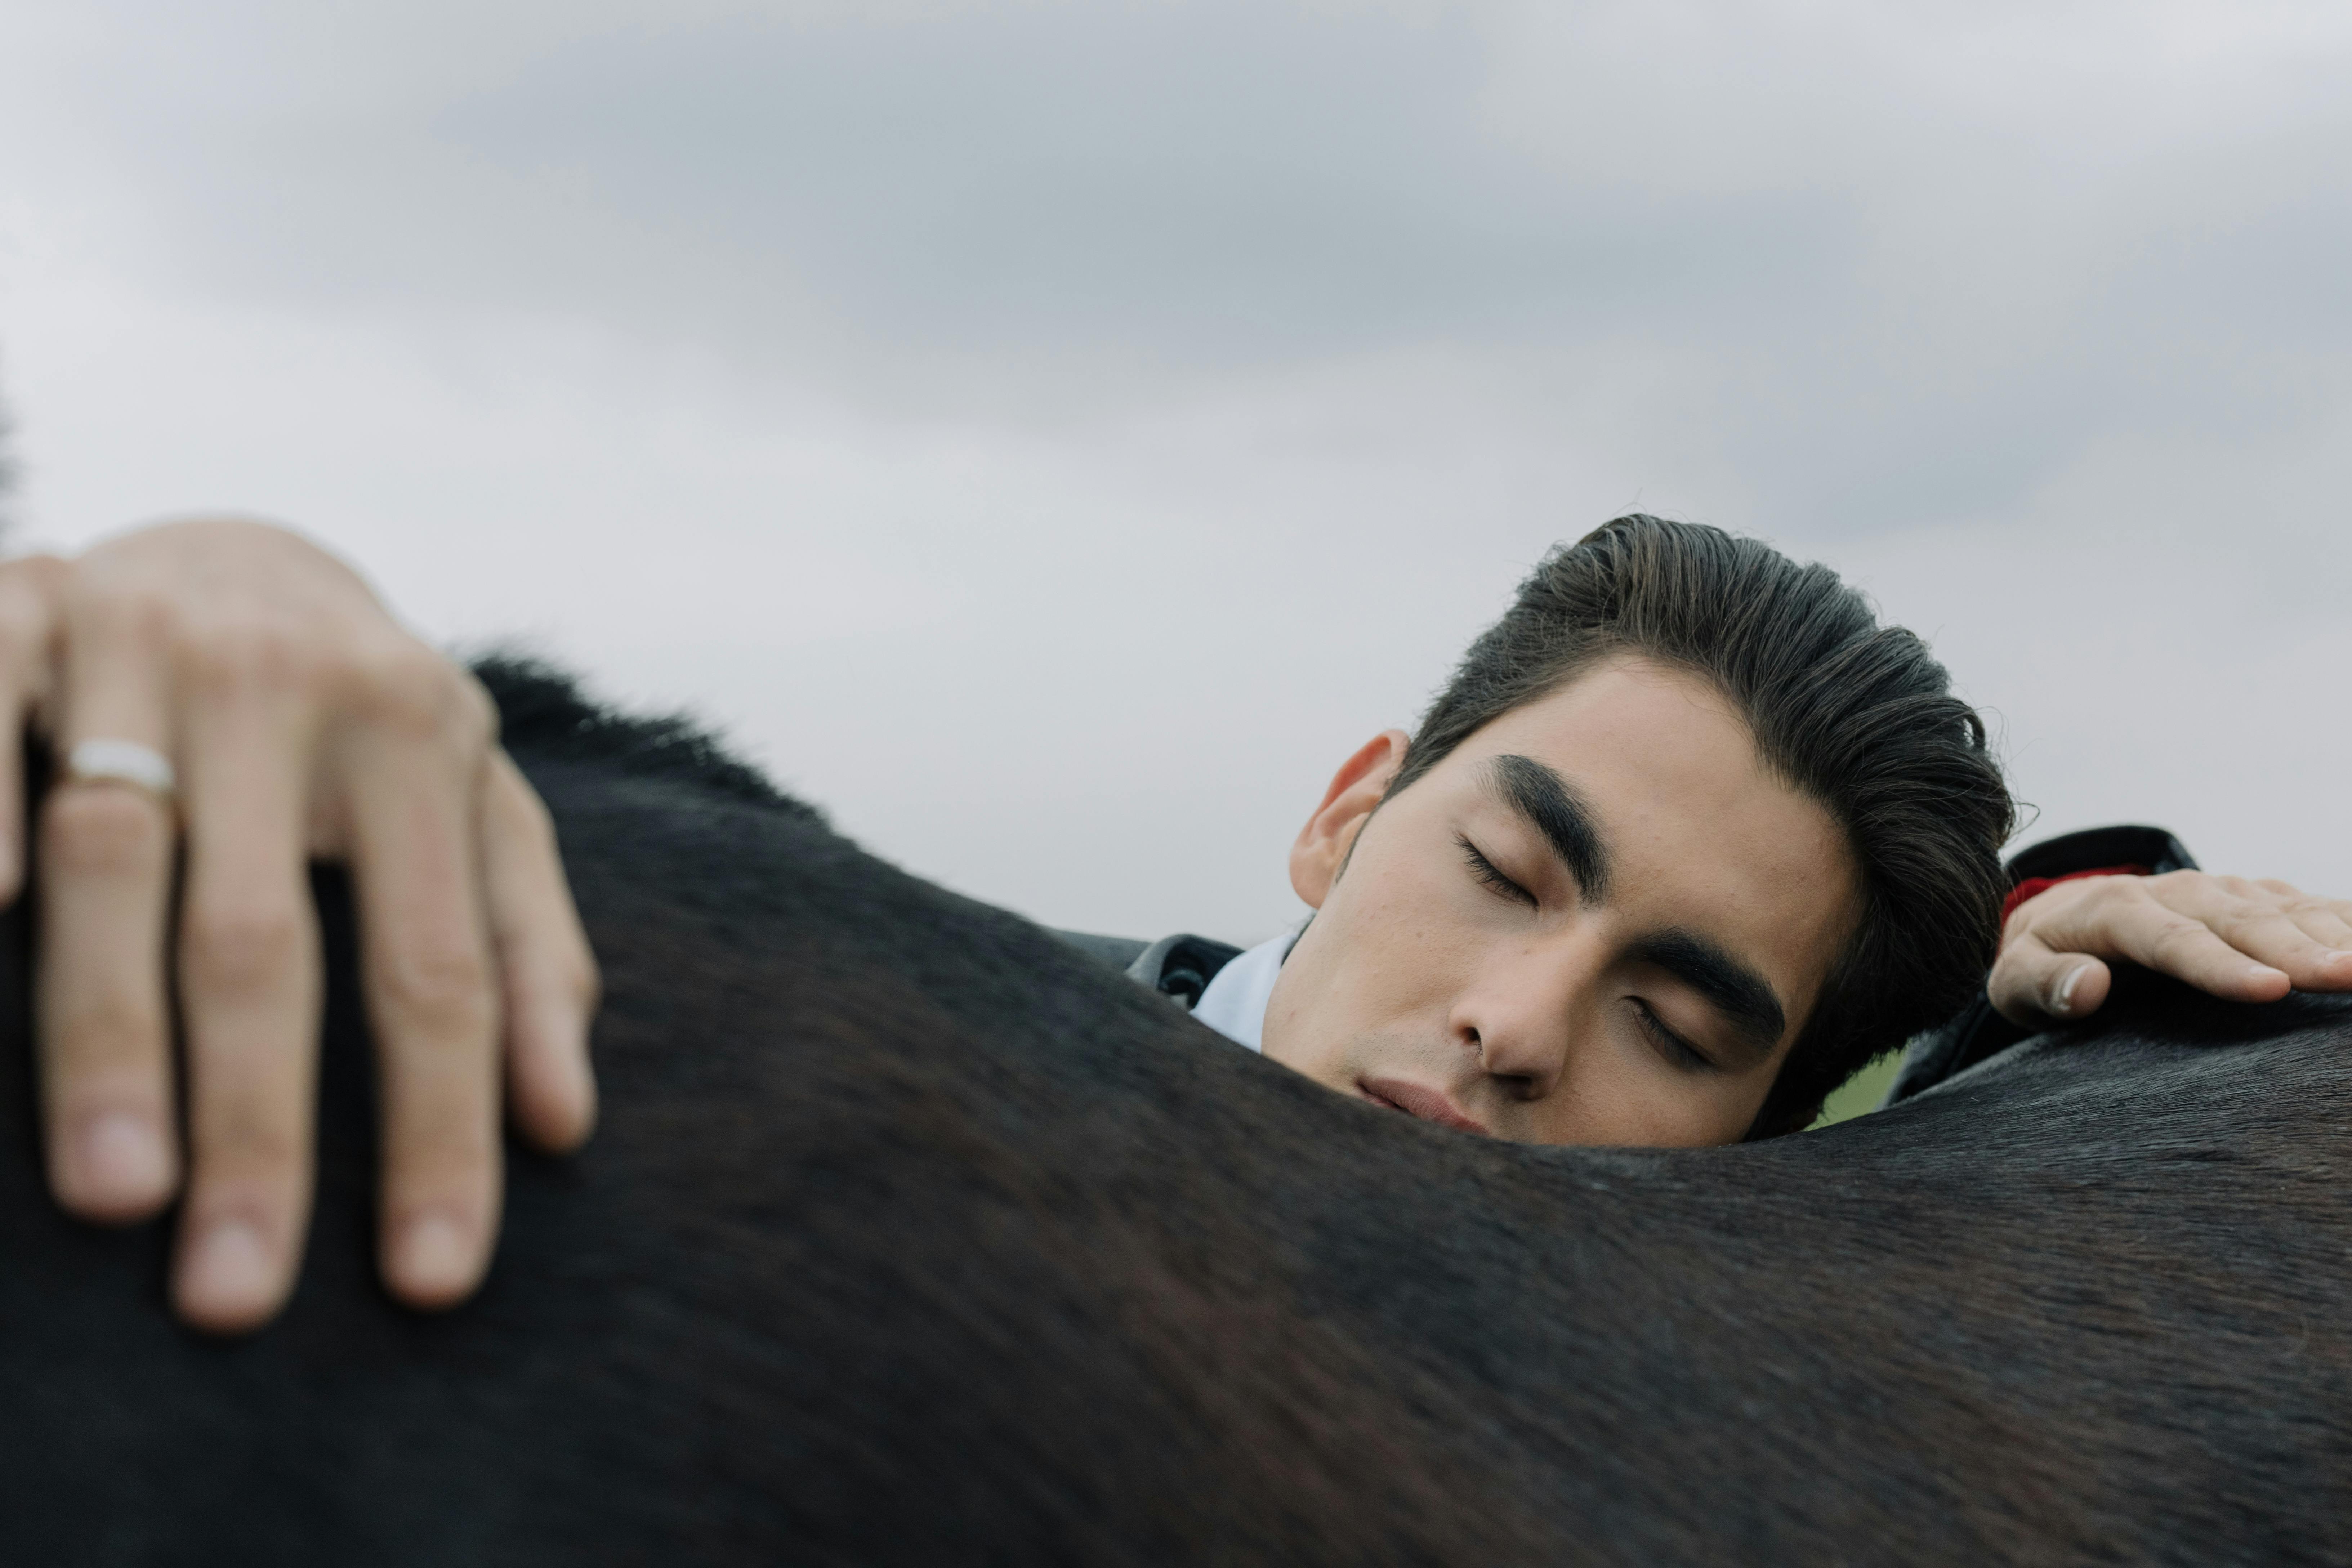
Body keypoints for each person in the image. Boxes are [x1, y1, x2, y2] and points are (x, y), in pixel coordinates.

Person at [12, 516, 2349, 1332]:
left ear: (1766, 1114)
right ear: (1345, 814)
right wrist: (235, 587)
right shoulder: (924, 1061)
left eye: (1675, 1012)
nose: (1516, 1022)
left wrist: (2054, 948)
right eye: (1506, 869)